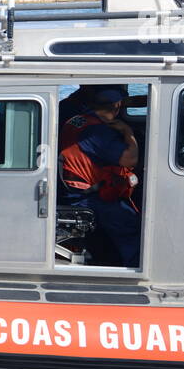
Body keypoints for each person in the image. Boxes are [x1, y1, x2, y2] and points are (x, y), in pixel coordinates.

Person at [58, 87, 142, 266]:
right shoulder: (98, 132)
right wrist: (129, 133)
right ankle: (136, 269)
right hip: (88, 197)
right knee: (133, 227)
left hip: (77, 190)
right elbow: (130, 159)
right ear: (117, 106)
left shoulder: (78, 120)